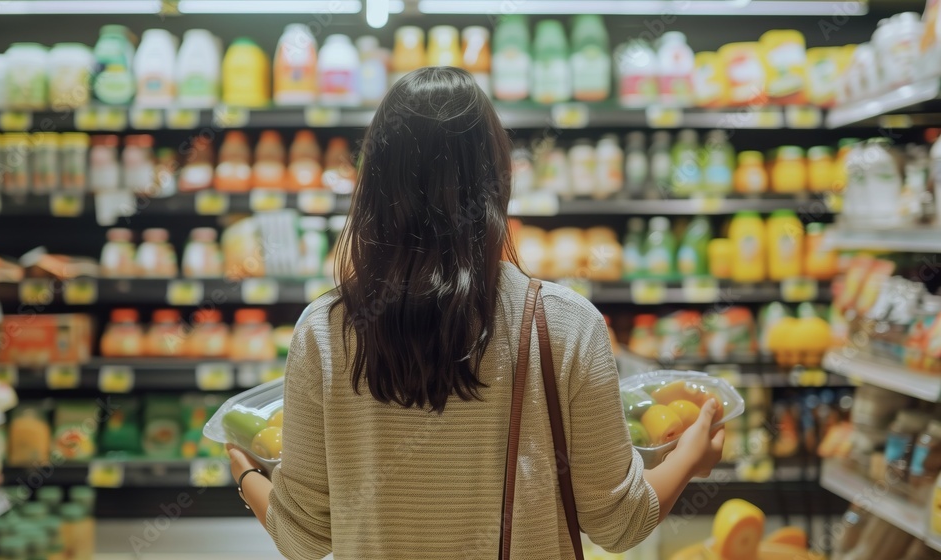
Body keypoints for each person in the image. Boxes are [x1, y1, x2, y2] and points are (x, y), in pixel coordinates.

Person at [227, 66, 724, 559]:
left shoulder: (323, 330)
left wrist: (245, 471)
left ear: (373, 186)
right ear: (498, 181)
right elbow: (619, 523)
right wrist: (688, 455)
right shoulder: (567, 324)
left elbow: (305, 536)